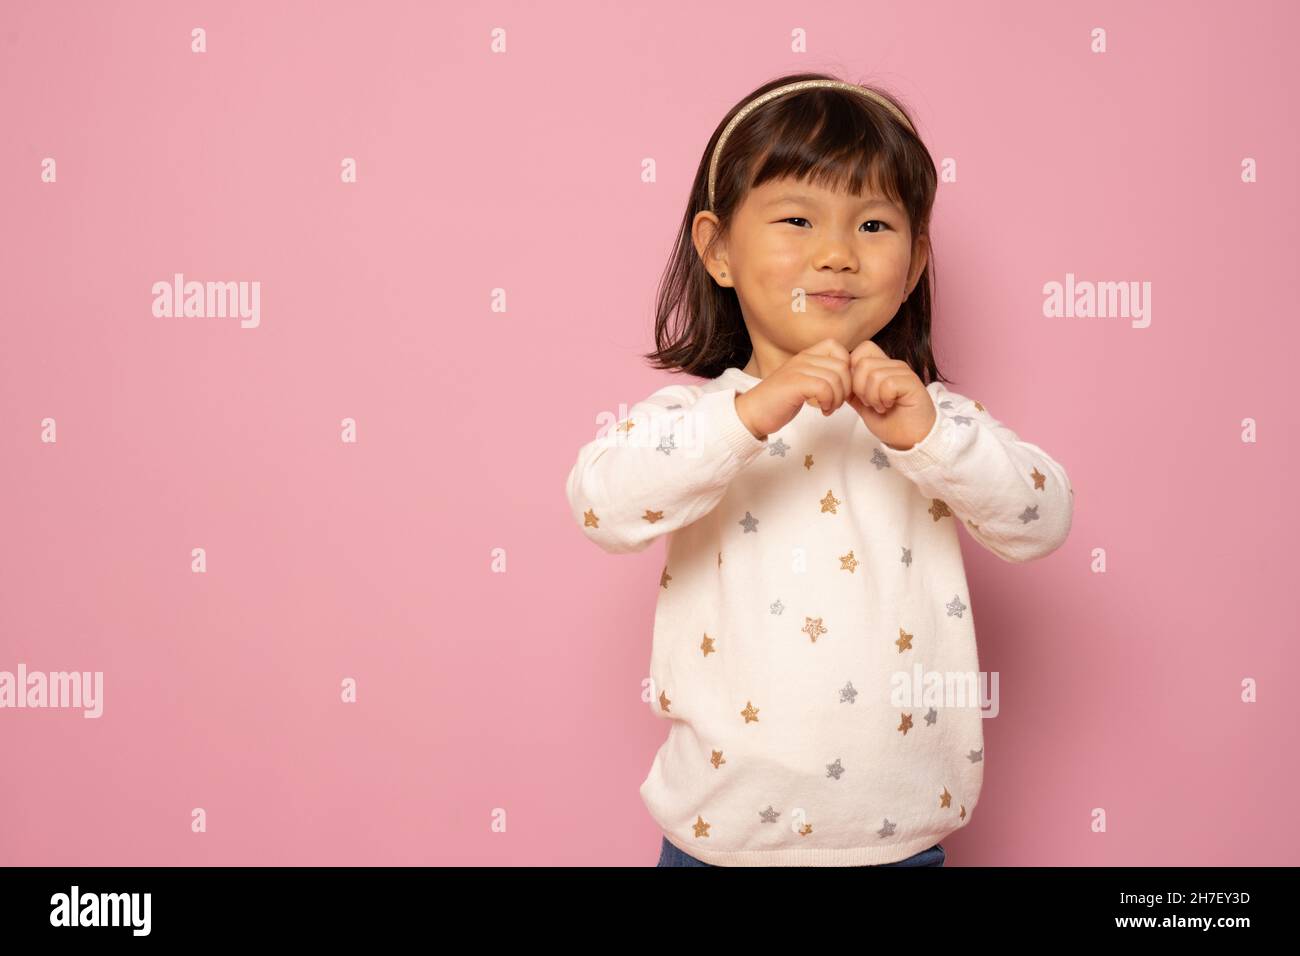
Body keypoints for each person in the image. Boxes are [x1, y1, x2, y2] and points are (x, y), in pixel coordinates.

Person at [565, 72, 1073, 867]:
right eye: (798, 219)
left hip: (898, 846)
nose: (837, 253)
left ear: (911, 268)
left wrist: (930, 437)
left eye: (873, 224)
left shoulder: (932, 422)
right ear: (718, 250)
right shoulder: (693, 425)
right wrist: (751, 413)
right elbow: (601, 506)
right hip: (717, 842)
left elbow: (1043, 521)